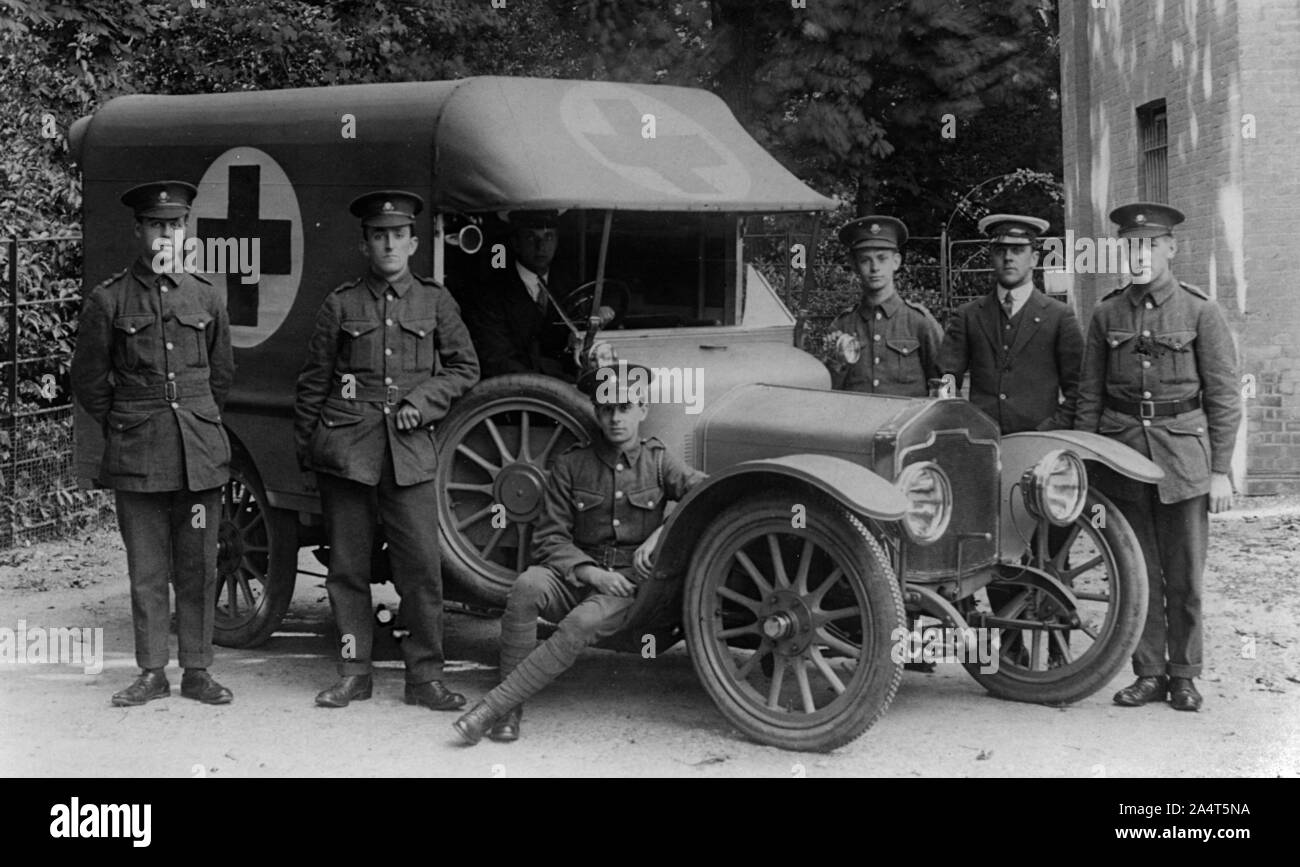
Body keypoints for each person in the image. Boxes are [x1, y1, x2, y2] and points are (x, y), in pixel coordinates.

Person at [452, 362, 706, 744]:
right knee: (527, 586)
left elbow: (704, 492)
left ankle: (493, 709)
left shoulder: (658, 461)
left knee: (580, 624)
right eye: (607, 409)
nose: (615, 418)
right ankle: (509, 711)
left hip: (627, 586)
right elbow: (549, 538)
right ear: (597, 413)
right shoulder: (572, 464)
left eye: (625, 407)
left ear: (642, 409)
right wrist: (591, 573)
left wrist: (660, 534)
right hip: (578, 574)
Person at [294, 190, 480, 710]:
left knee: (421, 570)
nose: (390, 245)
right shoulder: (341, 304)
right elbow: (314, 383)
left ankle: (424, 678)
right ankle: (354, 672)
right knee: (347, 572)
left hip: (409, 454)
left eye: (398, 235)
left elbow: (465, 368)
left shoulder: (435, 301)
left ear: (414, 243)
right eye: (380, 236)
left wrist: (423, 402)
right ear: (365, 245)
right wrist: (310, 452)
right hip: (347, 452)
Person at [71, 180, 235, 706]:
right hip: (138, 453)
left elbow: (221, 374)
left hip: (197, 454)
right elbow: (88, 380)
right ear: (138, 230)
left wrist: (198, 418)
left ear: (187, 230)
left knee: (199, 565)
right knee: (146, 570)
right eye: (157, 224)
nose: (167, 234)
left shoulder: (206, 295)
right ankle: (151, 672)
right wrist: (127, 420)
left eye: (176, 224)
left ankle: (198, 670)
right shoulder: (109, 299)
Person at [1074, 202, 1241, 712]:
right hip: (1122, 456)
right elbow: (1089, 396)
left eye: (1150, 245)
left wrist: (1220, 472)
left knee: (1185, 576)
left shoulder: (1199, 311)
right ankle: (1148, 673)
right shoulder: (1106, 313)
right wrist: (1085, 460)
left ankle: (1185, 674)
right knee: (1137, 573)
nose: (1140, 255)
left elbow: (1224, 397)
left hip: (1183, 459)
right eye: (1131, 246)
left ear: (1171, 248)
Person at [939, 214, 1083, 433]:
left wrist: (1051, 429)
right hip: (981, 439)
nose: (1008, 258)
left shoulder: (1059, 317)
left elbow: (1079, 388)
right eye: (1000, 251)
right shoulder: (968, 316)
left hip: (1040, 441)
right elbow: (946, 375)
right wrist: (960, 417)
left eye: (1017, 250)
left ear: (1034, 258)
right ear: (991, 257)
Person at [825, 216, 942, 396]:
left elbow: (945, 382)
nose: (875, 268)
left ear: (896, 262)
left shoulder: (919, 322)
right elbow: (829, 392)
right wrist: (836, 360)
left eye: (882, 259)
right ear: (854, 265)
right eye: (865, 260)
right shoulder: (843, 325)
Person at [469, 210, 573, 379]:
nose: (541, 246)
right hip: (517, 387)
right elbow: (496, 358)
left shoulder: (567, 285)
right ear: (516, 243)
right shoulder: (492, 293)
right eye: (531, 237)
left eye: (548, 237)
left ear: (557, 242)